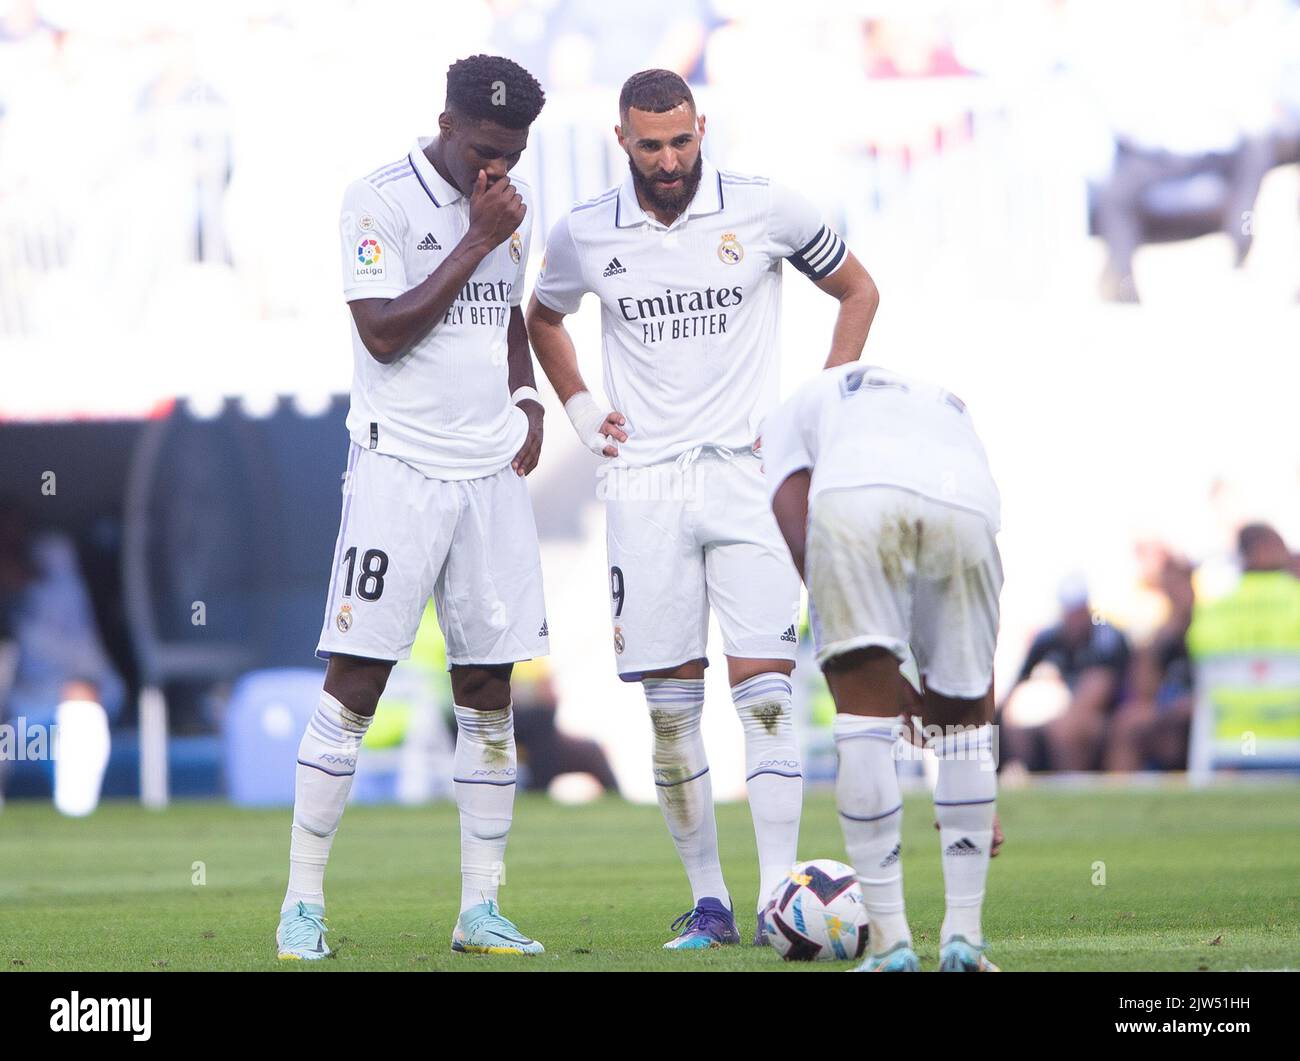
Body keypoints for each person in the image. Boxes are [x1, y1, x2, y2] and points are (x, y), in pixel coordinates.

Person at [525, 69, 880, 949]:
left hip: (746, 480)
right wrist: (576, 405)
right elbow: (543, 317)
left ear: (700, 127)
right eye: (652, 145)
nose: (671, 158)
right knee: (671, 710)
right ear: (623, 143)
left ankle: (775, 897)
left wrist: (817, 408)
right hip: (644, 486)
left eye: (683, 140)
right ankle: (711, 901)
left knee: (766, 695)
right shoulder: (584, 232)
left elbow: (859, 290)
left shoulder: (764, 208)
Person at [276, 55, 551, 961]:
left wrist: (528, 399)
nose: (495, 171)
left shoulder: (508, 206)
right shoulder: (377, 199)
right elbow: (384, 332)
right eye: (482, 149)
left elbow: (508, 318)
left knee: (488, 691)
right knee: (355, 683)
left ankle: (480, 909)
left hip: (489, 477)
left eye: (510, 155)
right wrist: (474, 235)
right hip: (400, 471)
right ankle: (301, 904)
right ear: (445, 120)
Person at [763, 362, 1003, 972]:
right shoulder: (945, 401)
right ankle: (964, 942)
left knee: (864, 727)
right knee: (964, 732)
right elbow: (972, 674)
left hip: (857, 500)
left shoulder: (788, 412)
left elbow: (797, 518)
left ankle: (893, 944)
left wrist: (866, 662)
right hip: (966, 501)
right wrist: (976, 775)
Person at [1002, 577, 1130, 772]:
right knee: (1016, 720)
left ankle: (1071, 782)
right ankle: (1024, 775)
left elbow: (1101, 687)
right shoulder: (1048, 639)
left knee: (1065, 729)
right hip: (1058, 714)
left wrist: (1066, 716)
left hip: (1108, 715)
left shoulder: (1106, 636)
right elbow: (1020, 682)